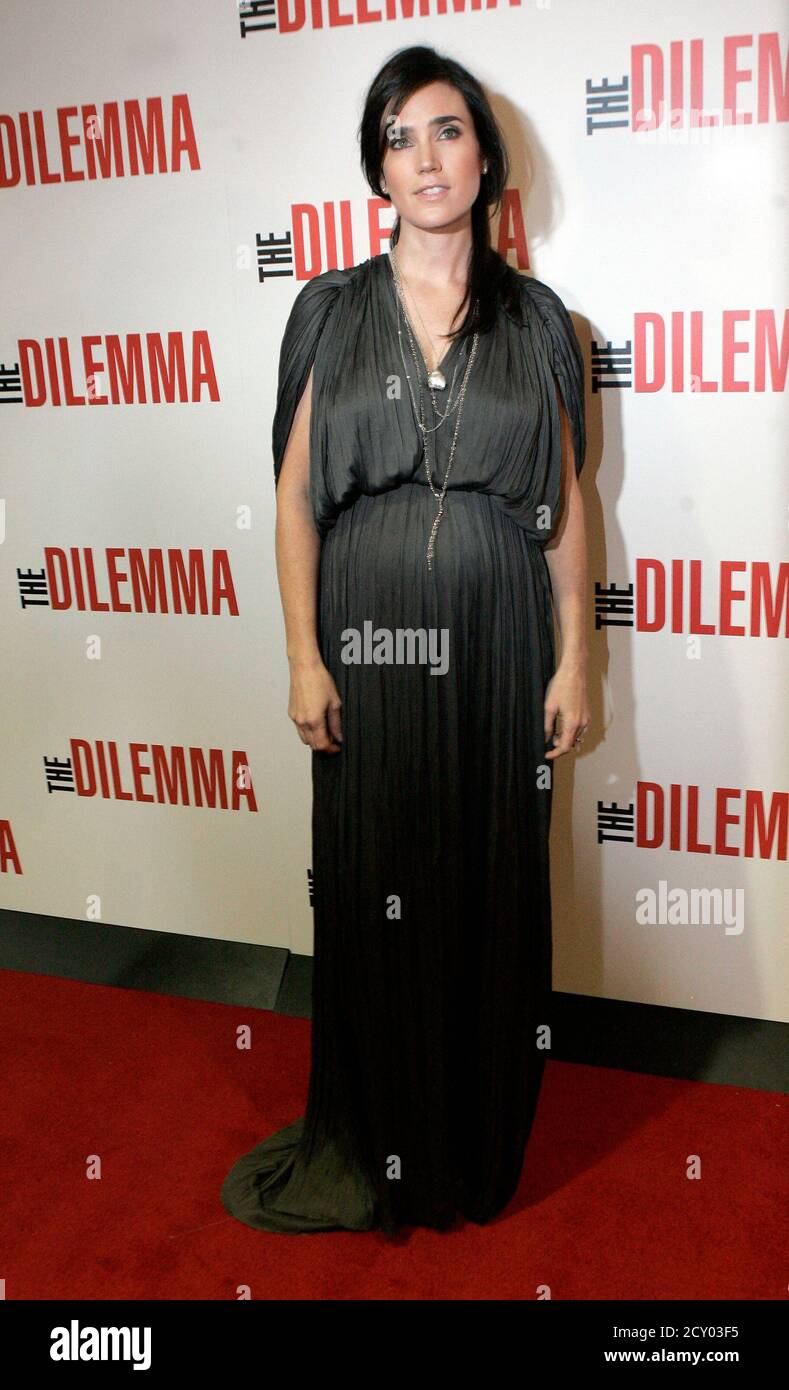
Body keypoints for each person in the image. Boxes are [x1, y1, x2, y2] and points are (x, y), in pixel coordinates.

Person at [221, 44, 589, 1236]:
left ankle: (466, 1146)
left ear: (486, 155)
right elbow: (291, 502)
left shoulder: (543, 324)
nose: (425, 158)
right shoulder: (329, 313)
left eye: (445, 131)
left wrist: (576, 653)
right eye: (398, 137)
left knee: (484, 886)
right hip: (366, 647)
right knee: (379, 886)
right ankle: (376, 1142)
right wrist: (301, 656)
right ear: (375, 166)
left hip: (496, 643)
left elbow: (569, 505)